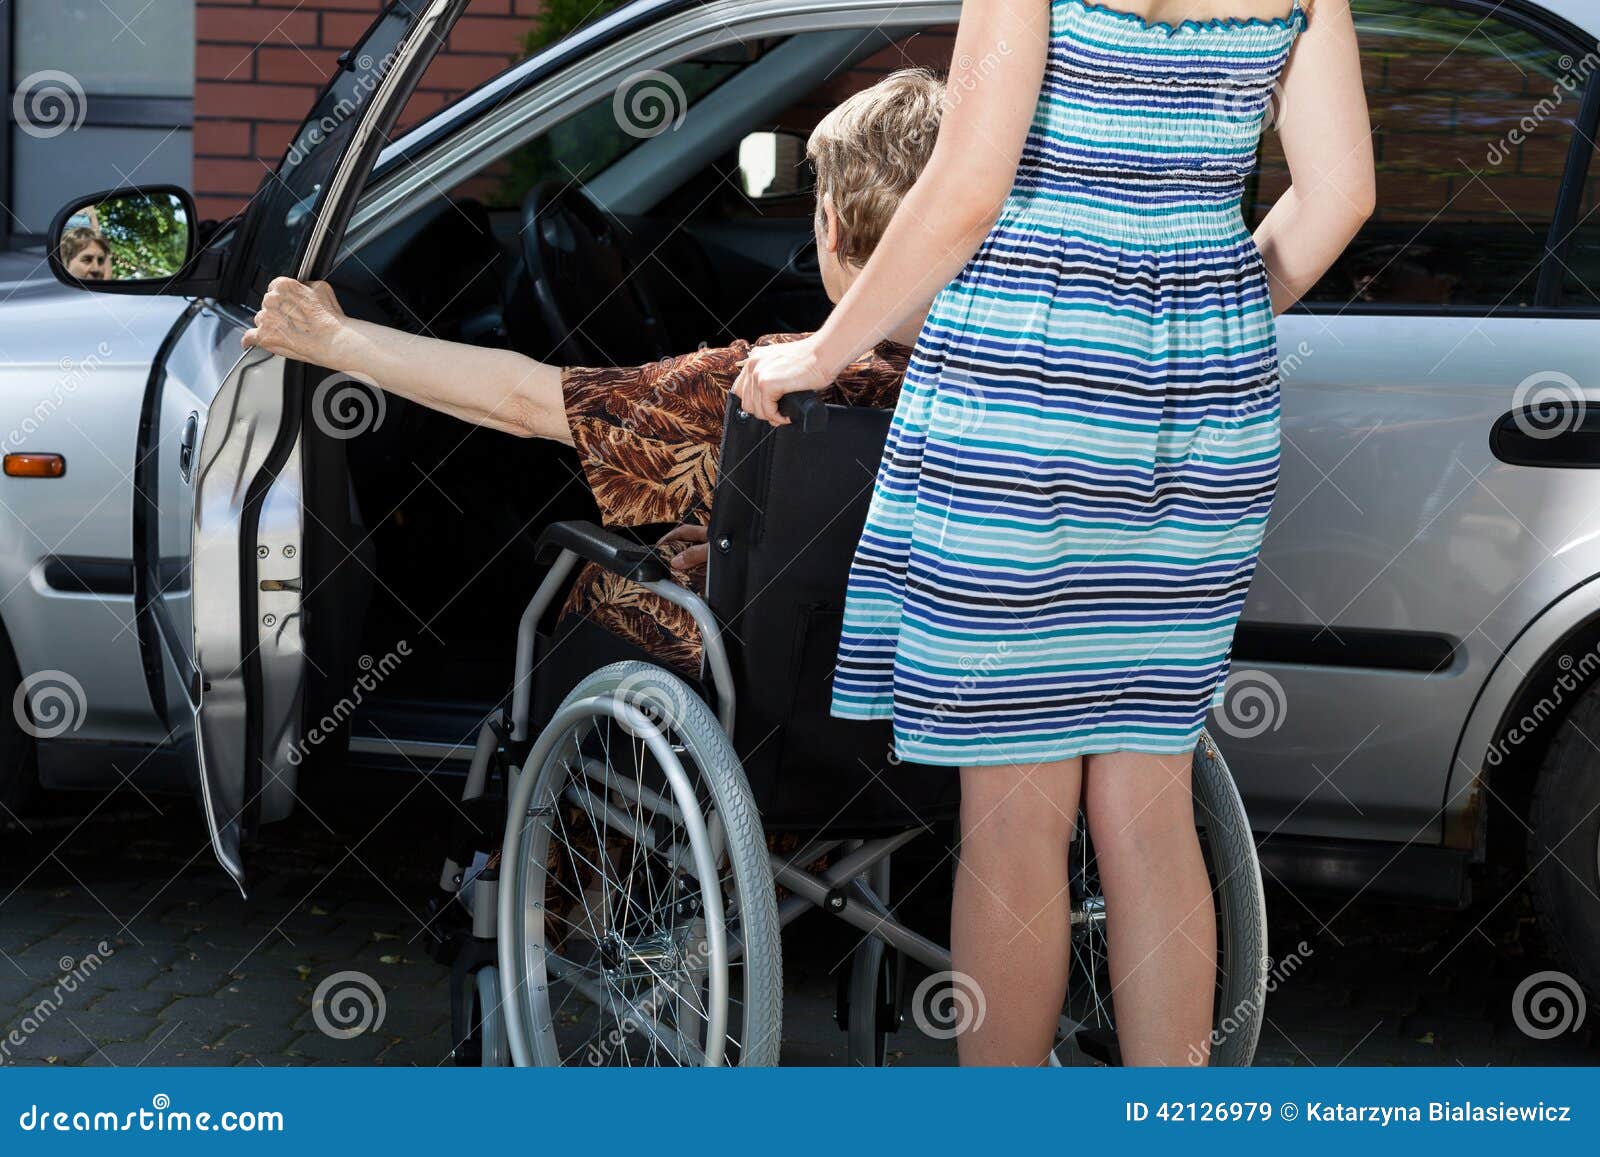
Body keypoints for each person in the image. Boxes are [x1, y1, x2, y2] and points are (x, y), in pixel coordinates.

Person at [733, 0, 1374, 1065]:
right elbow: (1342, 194)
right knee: (1150, 801)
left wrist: (824, 351)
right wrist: (1208, 306)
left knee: (1016, 813)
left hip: (1025, 392)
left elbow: (968, 184)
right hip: (1206, 404)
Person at [243, 69, 944, 675]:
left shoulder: (768, 385)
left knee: (599, 583)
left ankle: (560, 825)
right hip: (934, 696)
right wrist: (757, 547)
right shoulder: (1013, 377)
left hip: (776, 707)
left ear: (830, 224)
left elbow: (523, 403)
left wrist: (334, 338)